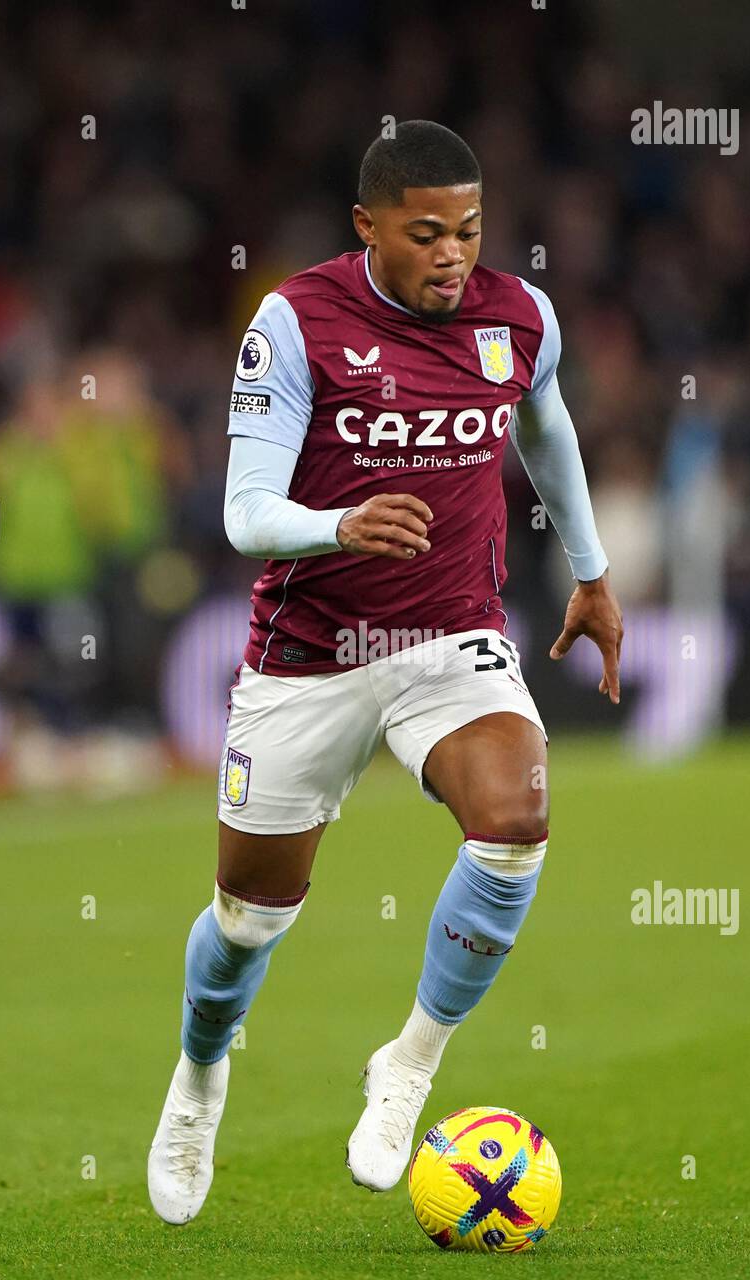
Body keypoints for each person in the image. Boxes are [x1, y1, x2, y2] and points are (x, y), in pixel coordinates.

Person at [148, 120, 623, 1224]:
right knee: (248, 921)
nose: (454, 254)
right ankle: (200, 1074)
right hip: (309, 659)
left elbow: (543, 421)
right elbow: (242, 513)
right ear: (368, 228)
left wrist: (591, 571)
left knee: (513, 823)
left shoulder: (521, 314)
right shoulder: (296, 321)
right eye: (426, 235)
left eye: (468, 230)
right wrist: (339, 524)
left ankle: (408, 1061)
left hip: (450, 639)